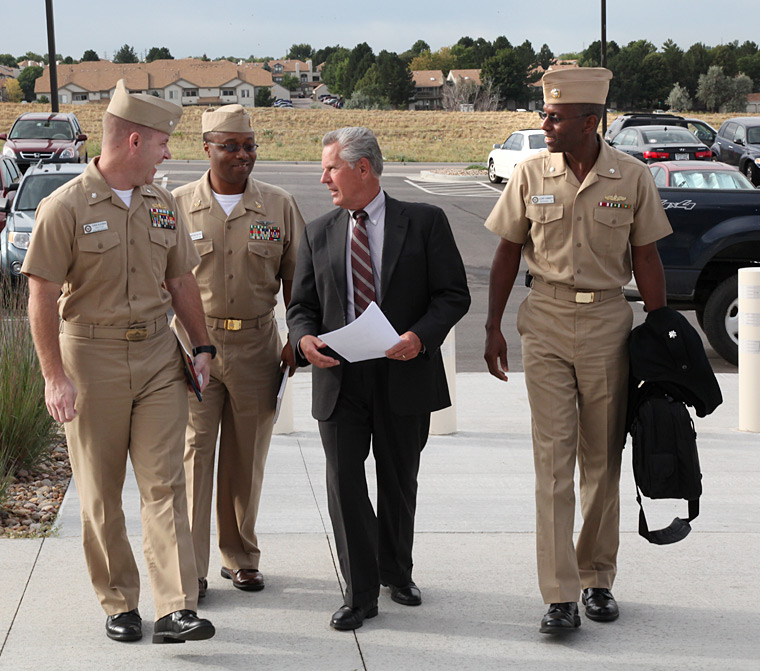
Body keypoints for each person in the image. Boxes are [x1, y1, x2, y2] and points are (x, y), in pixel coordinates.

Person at [22, 80, 216, 645]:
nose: (168, 154)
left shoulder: (163, 206)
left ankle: (177, 606)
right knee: (100, 492)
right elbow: (40, 295)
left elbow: (181, 281)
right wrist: (54, 376)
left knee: (164, 483)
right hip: (91, 357)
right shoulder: (66, 207)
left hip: (158, 355)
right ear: (133, 141)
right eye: (162, 144)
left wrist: (201, 346)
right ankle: (120, 602)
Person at [483, 68, 672, 634]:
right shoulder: (530, 174)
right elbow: (506, 253)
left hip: (608, 323)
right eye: (545, 114)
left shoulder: (632, 177)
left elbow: (647, 260)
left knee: (602, 460)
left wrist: (662, 333)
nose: (545, 124)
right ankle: (560, 593)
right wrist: (492, 326)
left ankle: (596, 578)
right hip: (543, 320)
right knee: (553, 461)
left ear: (591, 122)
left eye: (555, 117)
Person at [287, 127, 470, 631]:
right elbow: (301, 306)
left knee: (397, 481)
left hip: (404, 374)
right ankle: (360, 592)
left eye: (331, 168)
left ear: (362, 168)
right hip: (339, 379)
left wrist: (420, 336)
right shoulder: (318, 231)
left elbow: (453, 295)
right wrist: (303, 339)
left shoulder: (426, 222)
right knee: (344, 483)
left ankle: (397, 571)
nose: (324, 178)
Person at [172, 104, 304, 598]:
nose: (242, 155)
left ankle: (241, 557)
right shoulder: (178, 204)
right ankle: (192, 569)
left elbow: (297, 277)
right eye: (230, 146)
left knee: (246, 458)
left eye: (249, 146)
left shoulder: (279, 204)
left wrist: (297, 334)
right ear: (206, 147)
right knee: (193, 457)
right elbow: (162, 278)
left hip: (256, 346)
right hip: (194, 348)